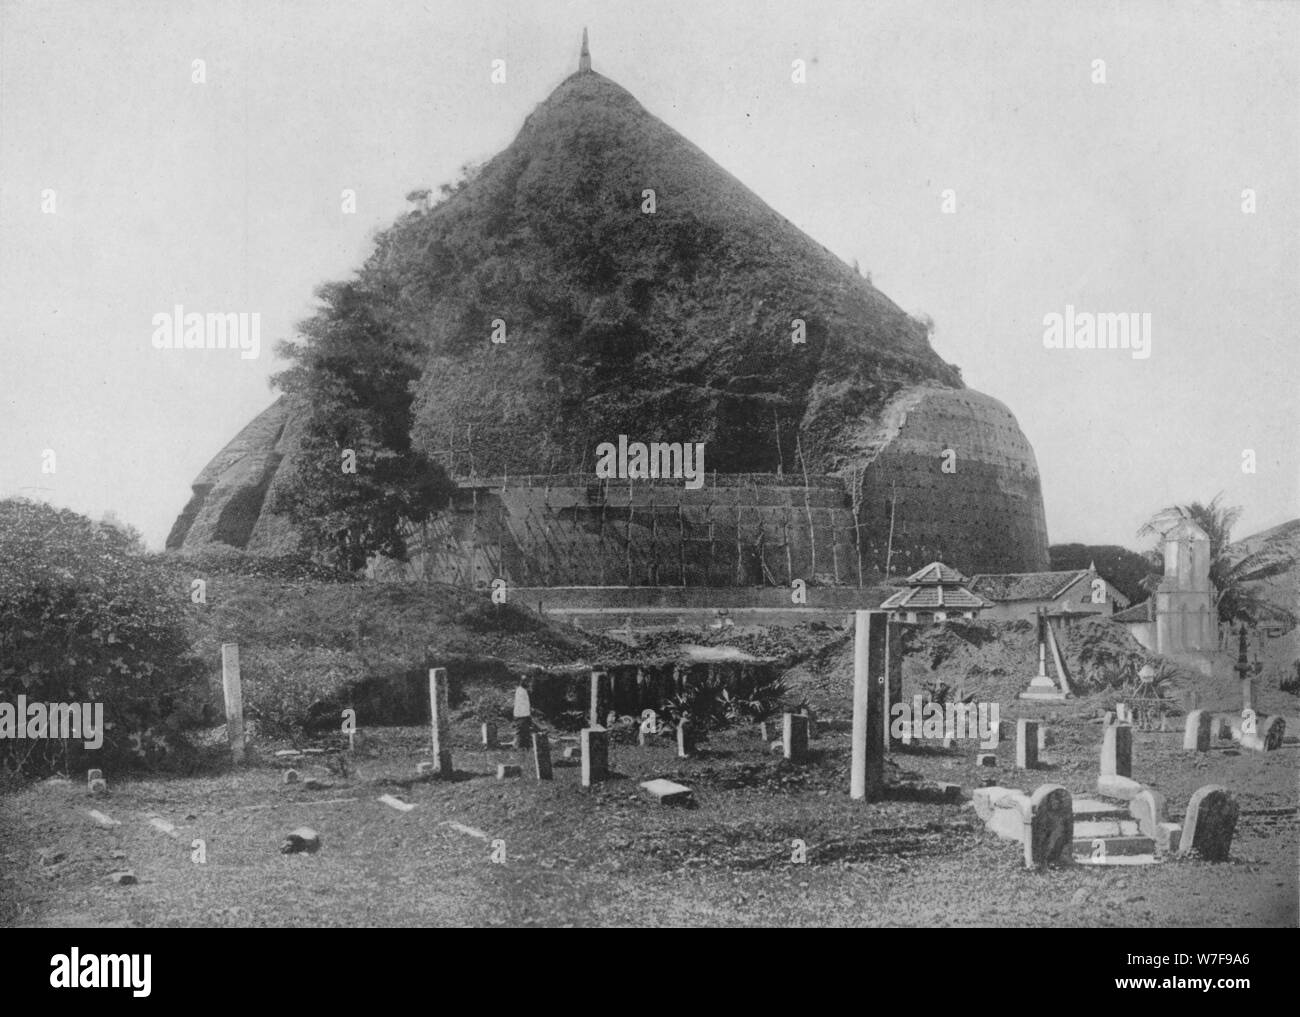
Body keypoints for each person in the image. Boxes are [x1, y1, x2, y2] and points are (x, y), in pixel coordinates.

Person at [512, 677, 533, 749]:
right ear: (523, 682)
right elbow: (521, 705)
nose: (528, 684)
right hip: (521, 715)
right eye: (527, 682)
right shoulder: (520, 691)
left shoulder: (523, 690)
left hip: (524, 715)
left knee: (525, 732)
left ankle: (525, 747)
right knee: (520, 732)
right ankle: (517, 747)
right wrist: (527, 715)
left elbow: (526, 704)